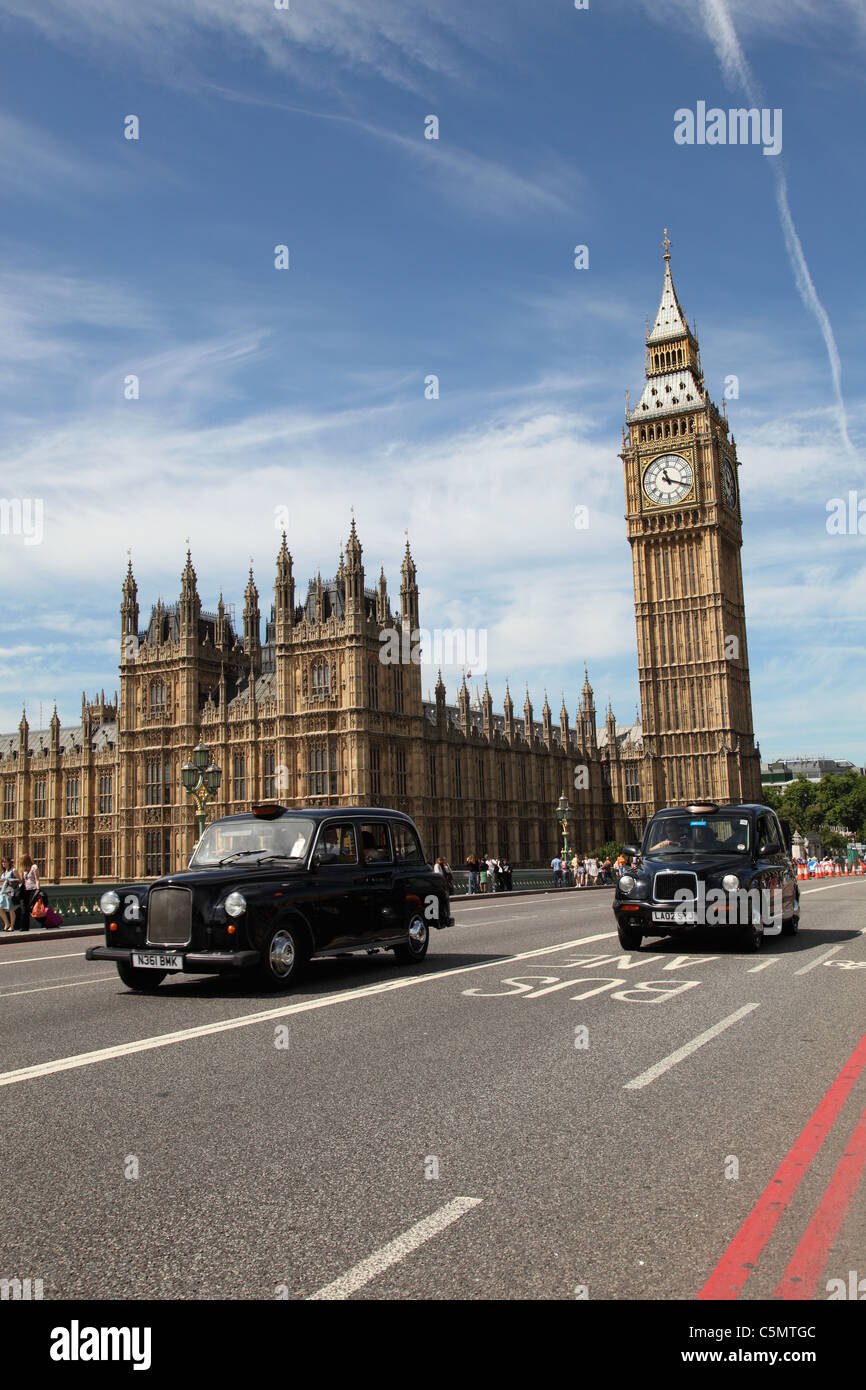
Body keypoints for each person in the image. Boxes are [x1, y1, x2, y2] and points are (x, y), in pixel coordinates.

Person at [20, 855, 40, 931]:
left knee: (34, 909)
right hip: (26, 890)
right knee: (25, 909)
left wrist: (38, 890)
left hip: (33, 890)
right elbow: (23, 881)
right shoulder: (24, 870)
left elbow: (37, 879)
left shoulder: (34, 867)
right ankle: (24, 927)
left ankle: (47, 922)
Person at [0, 857, 17, 931]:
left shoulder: (13, 870)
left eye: (5, 862)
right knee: (0, 908)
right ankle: (7, 923)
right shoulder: (3, 872)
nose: (3, 863)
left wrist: (9, 879)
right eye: (2, 862)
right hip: (3, 892)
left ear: (9, 862)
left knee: (10, 909)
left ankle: (12, 926)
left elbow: (19, 880)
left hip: (10, 891)